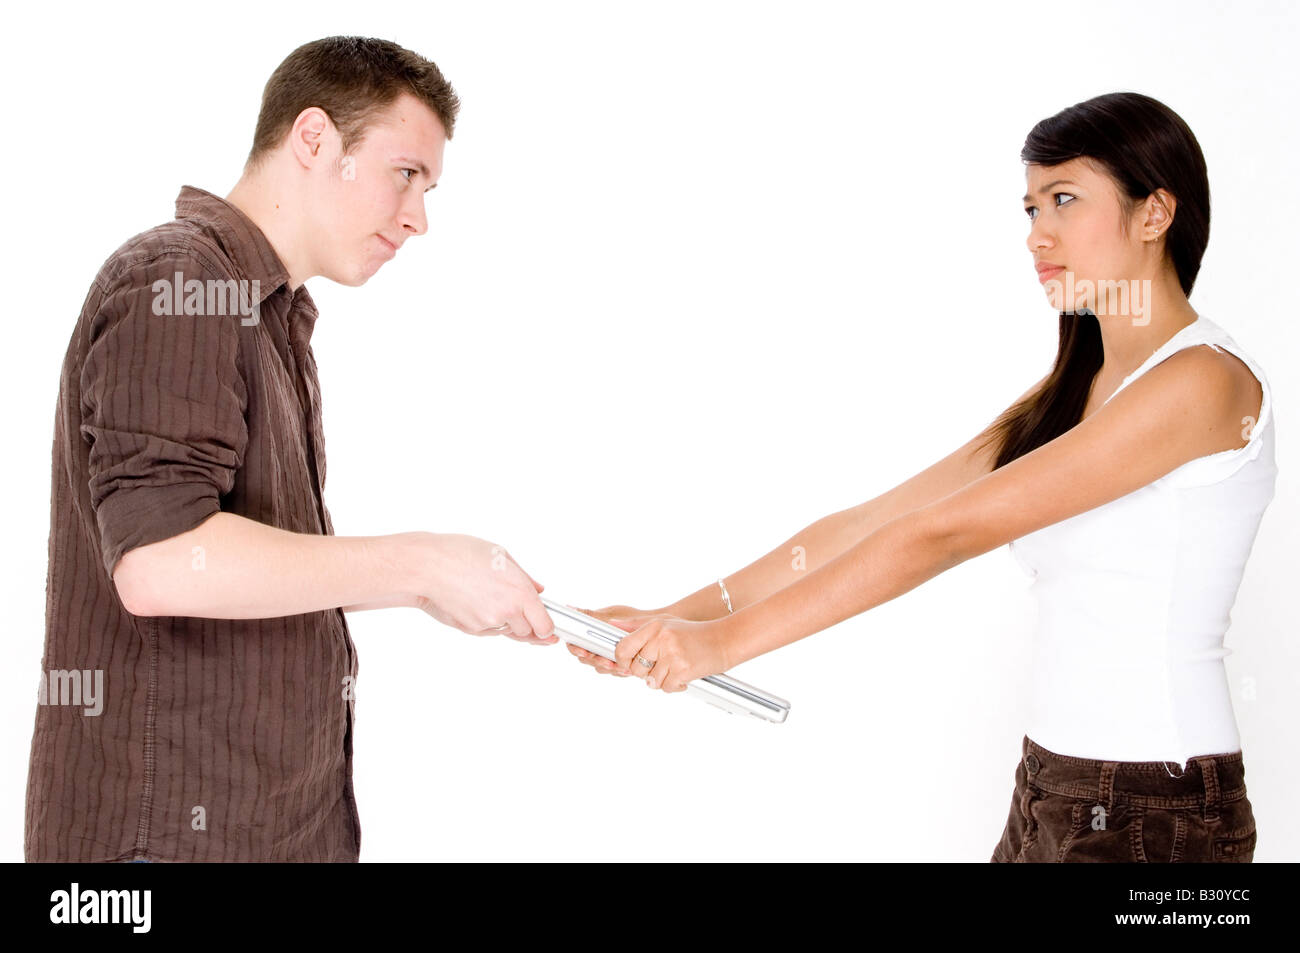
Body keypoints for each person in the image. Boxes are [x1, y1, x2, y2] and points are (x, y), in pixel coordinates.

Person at [568, 91, 1275, 863]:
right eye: (1031, 208)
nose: (1038, 235)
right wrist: (673, 617)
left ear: (1154, 213)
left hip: (1155, 815)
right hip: (1053, 788)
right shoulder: (1067, 401)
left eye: (1065, 200)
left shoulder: (1204, 384)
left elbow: (945, 534)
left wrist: (720, 645)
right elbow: (866, 524)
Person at [26, 36, 558, 864]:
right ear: (314, 139)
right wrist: (422, 565)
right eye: (406, 173)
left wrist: (425, 585)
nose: (419, 217)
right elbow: (159, 561)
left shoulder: (269, 319)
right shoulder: (179, 280)